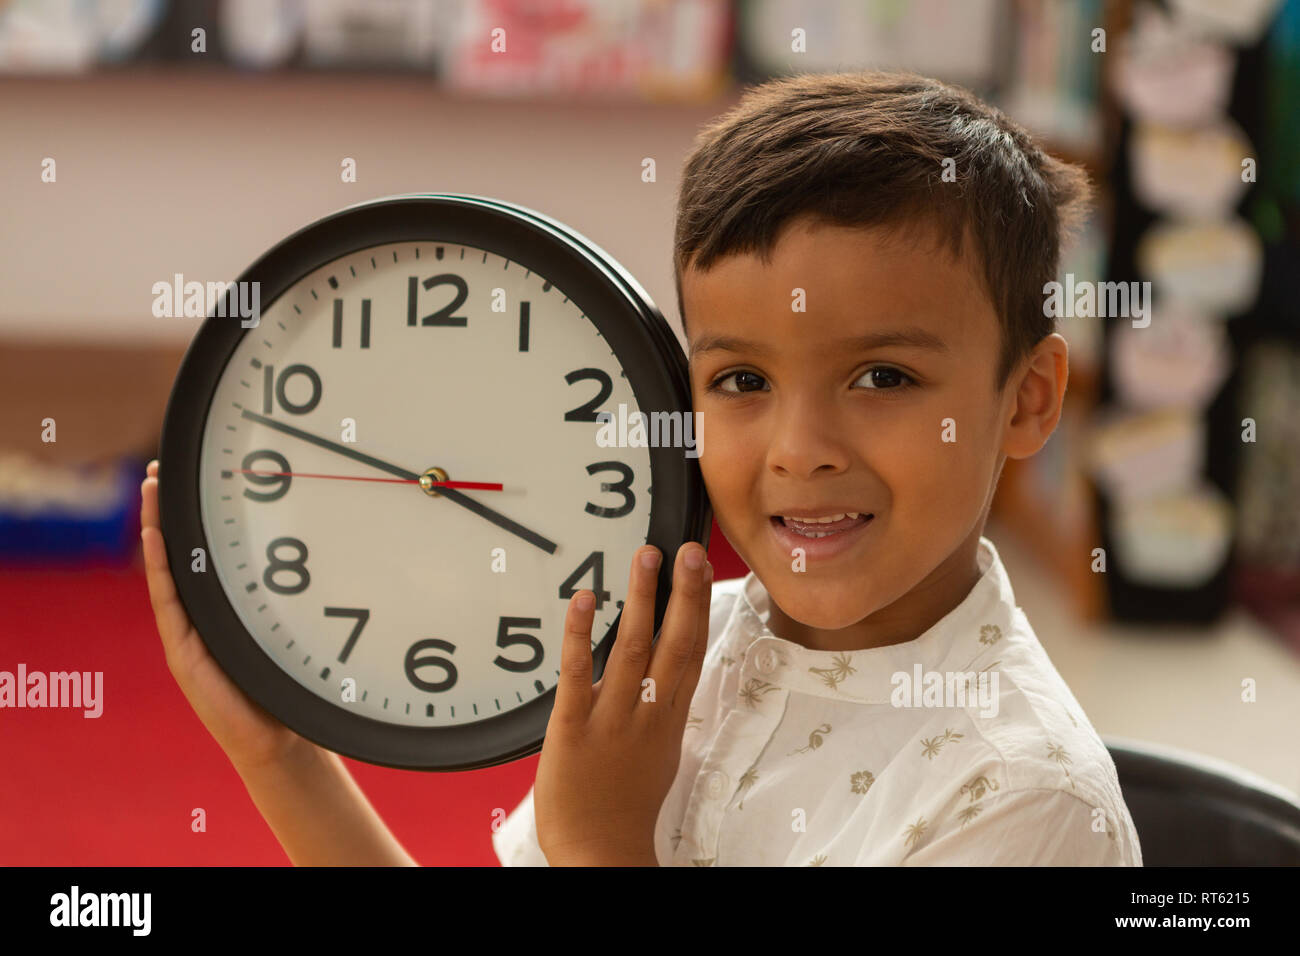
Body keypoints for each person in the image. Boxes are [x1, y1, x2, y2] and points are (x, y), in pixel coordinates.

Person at [141, 69, 1141, 866]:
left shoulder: (1024, 801)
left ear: (1026, 398)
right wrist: (281, 757)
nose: (799, 447)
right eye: (742, 378)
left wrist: (600, 848)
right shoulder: (676, 662)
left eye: (882, 375)